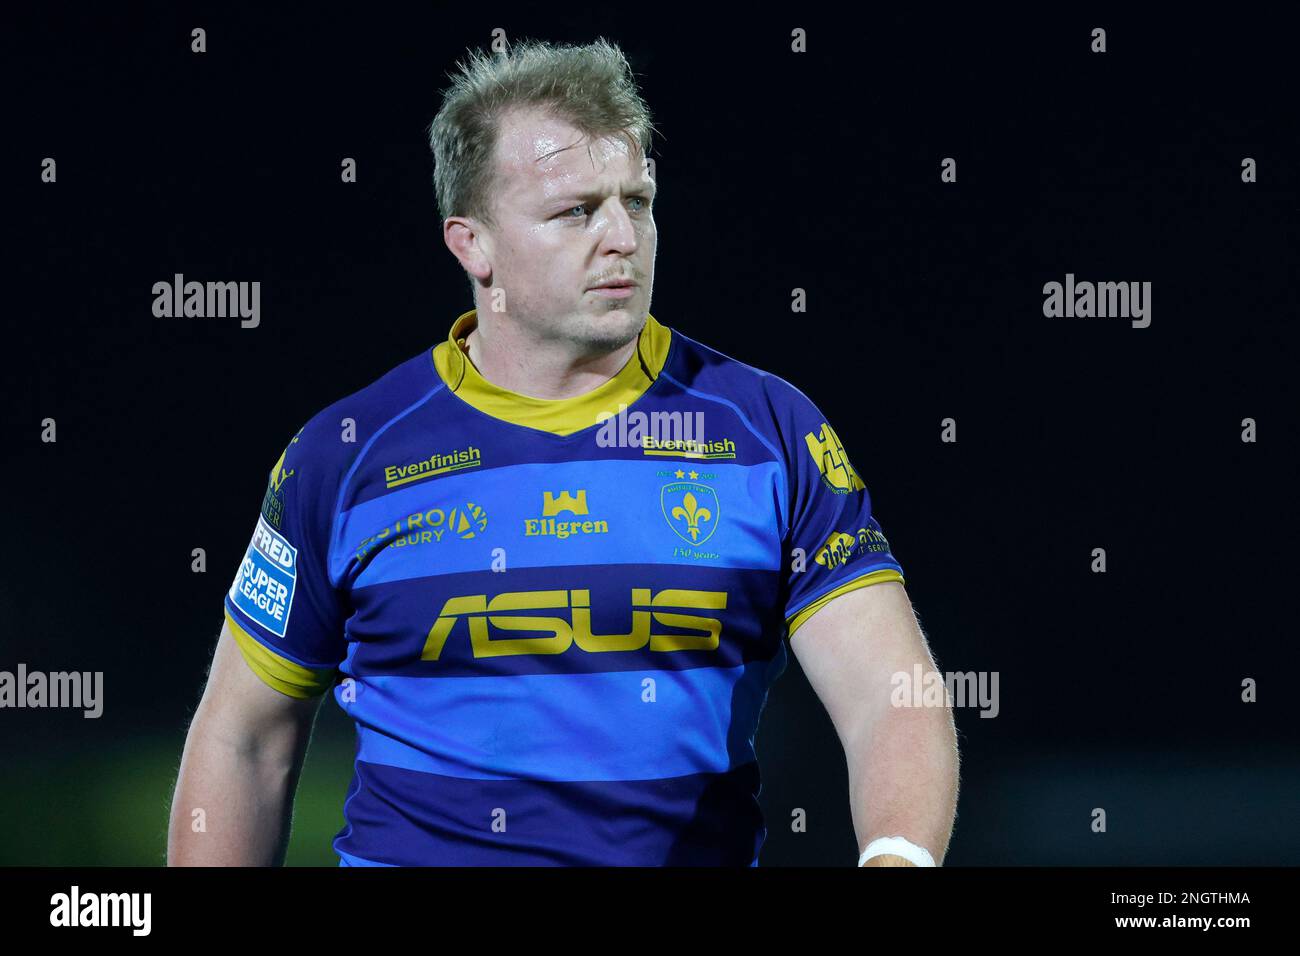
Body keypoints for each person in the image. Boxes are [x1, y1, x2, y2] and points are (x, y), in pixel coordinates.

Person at [168, 37, 958, 867]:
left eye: (638, 201)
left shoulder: (769, 433)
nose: (622, 236)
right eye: (576, 210)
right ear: (473, 245)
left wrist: (898, 859)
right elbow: (244, 741)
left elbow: (889, 695)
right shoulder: (345, 456)